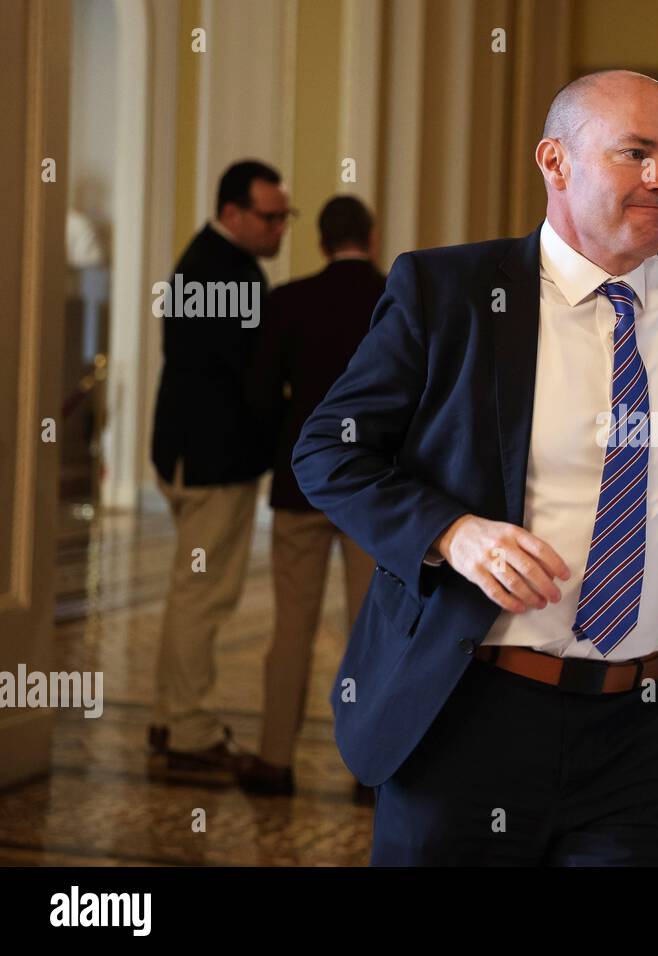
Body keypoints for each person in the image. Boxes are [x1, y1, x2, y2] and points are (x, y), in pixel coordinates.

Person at [292, 69, 658, 865]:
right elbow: (329, 449)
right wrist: (453, 534)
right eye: (636, 153)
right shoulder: (453, 293)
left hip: (640, 729)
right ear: (556, 162)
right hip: (469, 715)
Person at [148, 160, 294, 780]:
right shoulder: (227, 271)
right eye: (270, 216)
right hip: (212, 459)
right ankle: (189, 729)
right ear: (233, 213)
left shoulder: (206, 260)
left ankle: (170, 715)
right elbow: (242, 376)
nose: (280, 228)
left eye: (286, 216)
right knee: (203, 596)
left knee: (191, 591)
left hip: (191, 453)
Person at [237, 196, 385, 802]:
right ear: (371, 239)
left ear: (322, 241)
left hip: (303, 482)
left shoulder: (289, 300)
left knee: (290, 629)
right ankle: (368, 770)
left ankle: (275, 759)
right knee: (370, 630)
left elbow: (260, 396)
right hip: (375, 488)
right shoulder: (396, 296)